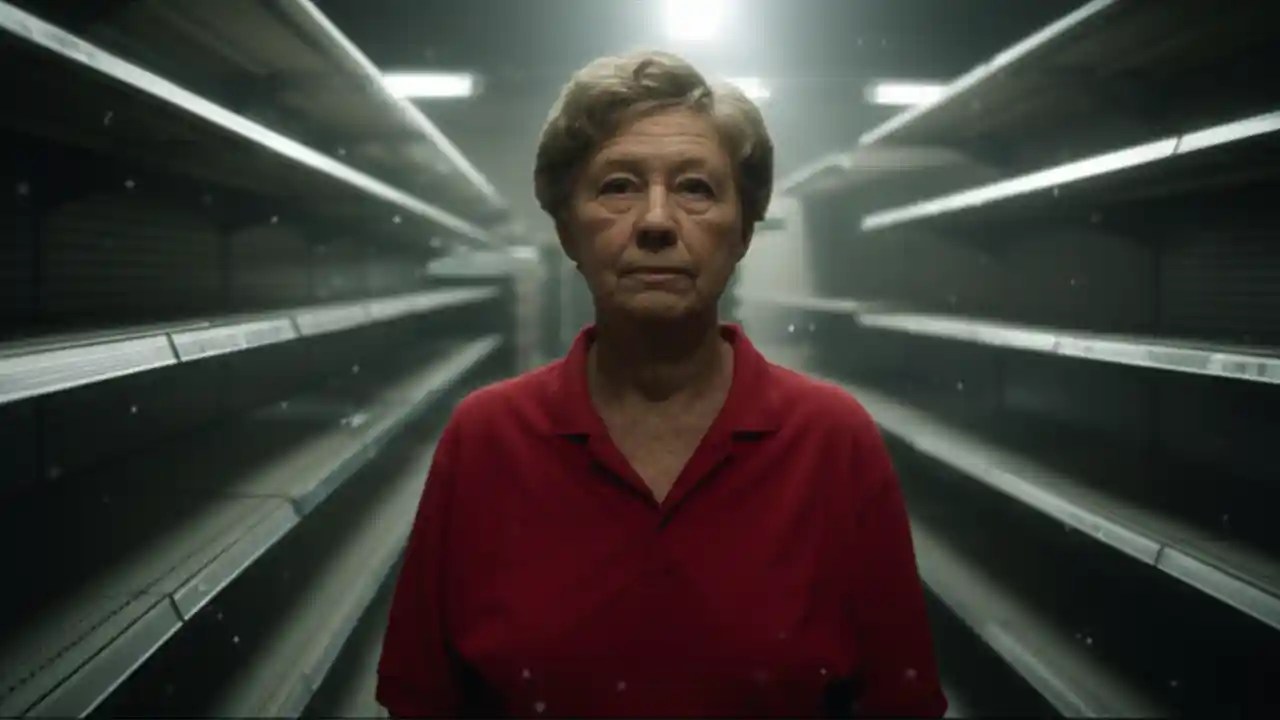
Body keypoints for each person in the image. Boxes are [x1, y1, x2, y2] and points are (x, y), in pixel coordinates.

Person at [376, 50, 946, 718]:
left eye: (696, 189)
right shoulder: (486, 438)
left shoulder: (833, 440)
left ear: (743, 230)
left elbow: (898, 704)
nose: (655, 222)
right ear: (567, 229)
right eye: (617, 185)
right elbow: (425, 702)